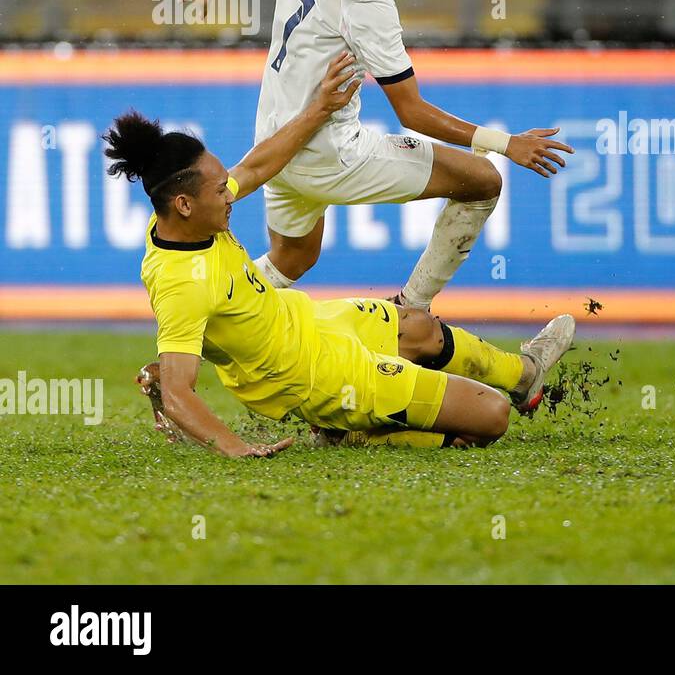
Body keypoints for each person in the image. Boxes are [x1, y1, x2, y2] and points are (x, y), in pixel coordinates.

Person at [105, 52, 575, 458]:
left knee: (420, 326)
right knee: (489, 417)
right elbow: (179, 391)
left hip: (312, 322)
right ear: (184, 205)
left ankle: (524, 375)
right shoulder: (181, 282)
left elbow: (259, 164)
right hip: (317, 375)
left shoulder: (182, 218)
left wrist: (321, 107)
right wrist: (237, 447)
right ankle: (353, 432)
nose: (229, 194)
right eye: (218, 190)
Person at [159, 0, 574, 312]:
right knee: (483, 180)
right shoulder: (368, 1)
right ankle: (411, 310)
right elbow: (412, 112)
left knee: (293, 257)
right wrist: (504, 142)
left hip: (274, 144)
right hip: (331, 154)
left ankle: (199, 313)